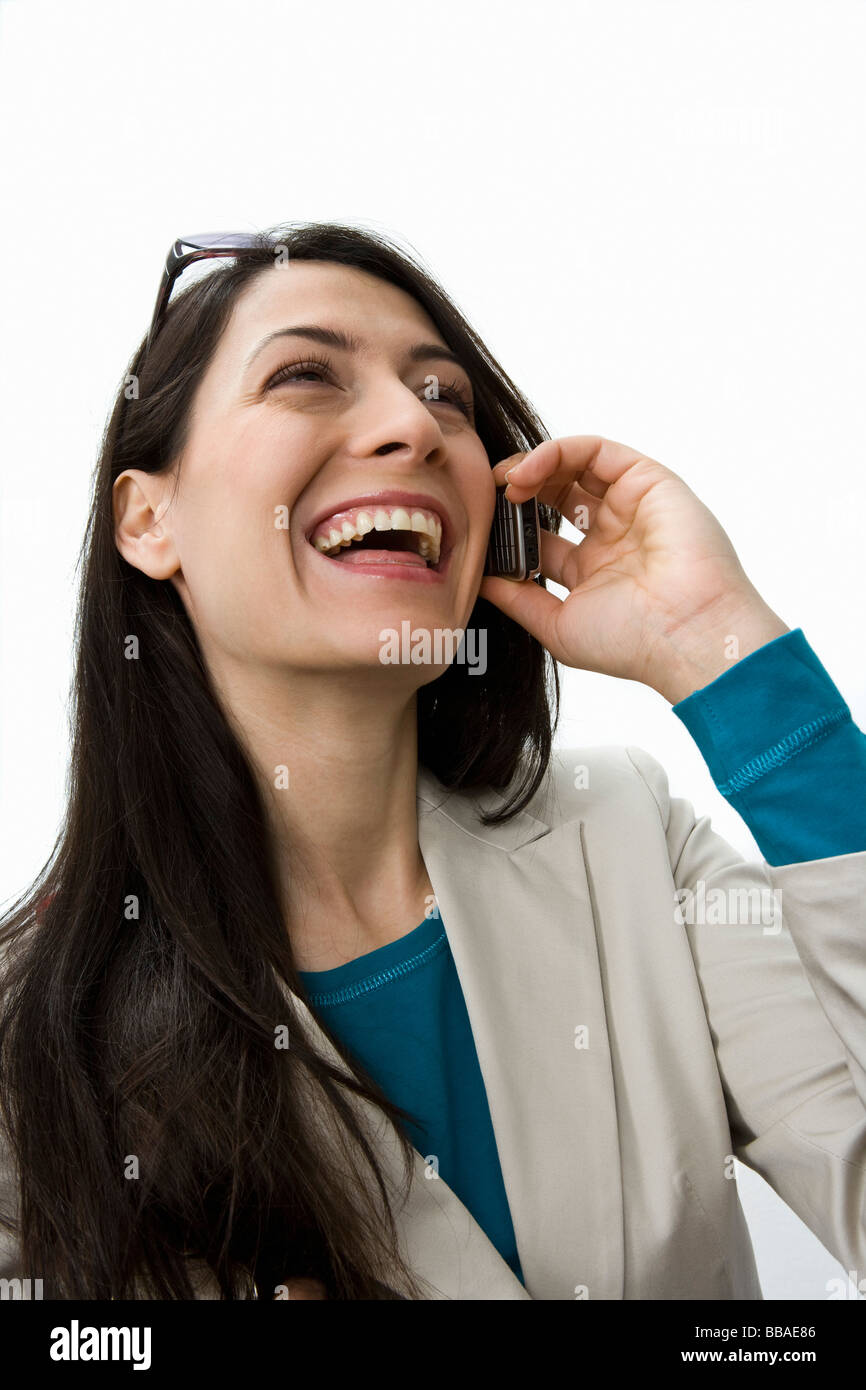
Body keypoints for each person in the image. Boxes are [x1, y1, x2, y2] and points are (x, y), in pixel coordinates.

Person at [0, 222, 864, 1300]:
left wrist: (719, 652)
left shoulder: (630, 839)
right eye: (306, 374)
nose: (413, 424)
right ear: (148, 516)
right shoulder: (27, 1034)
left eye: (444, 396)